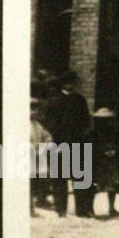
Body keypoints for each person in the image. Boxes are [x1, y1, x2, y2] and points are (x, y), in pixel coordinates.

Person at [43, 70, 94, 218]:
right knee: (59, 179)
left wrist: (84, 135)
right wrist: (54, 142)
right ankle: (61, 210)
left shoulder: (80, 100)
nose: (70, 85)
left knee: (80, 178)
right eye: (68, 83)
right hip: (59, 145)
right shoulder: (53, 101)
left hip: (77, 143)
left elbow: (86, 121)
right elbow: (48, 124)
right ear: (63, 85)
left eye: (73, 83)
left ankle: (82, 210)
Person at [90, 106, 119, 216]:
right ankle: (109, 208)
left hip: (115, 159)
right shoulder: (94, 132)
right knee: (106, 185)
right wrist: (103, 151)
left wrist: (115, 150)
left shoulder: (116, 130)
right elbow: (94, 145)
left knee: (117, 183)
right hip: (101, 161)